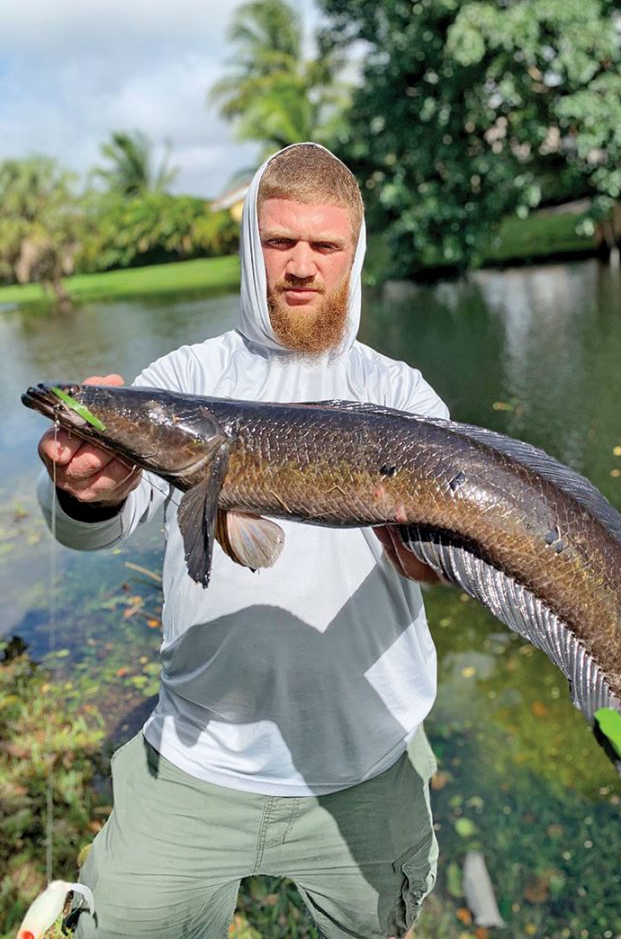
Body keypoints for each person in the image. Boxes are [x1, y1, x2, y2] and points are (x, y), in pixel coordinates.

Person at [36, 143, 449, 939]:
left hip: (366, 763)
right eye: (277, 242)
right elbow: (106, 520)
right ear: (247, 247)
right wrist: (86, 490)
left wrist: (429, 555)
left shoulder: (400, 393)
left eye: (324, 246)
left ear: (353, 256)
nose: (300, 267)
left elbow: (441, 564)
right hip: (196, 760)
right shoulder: (187, 376)